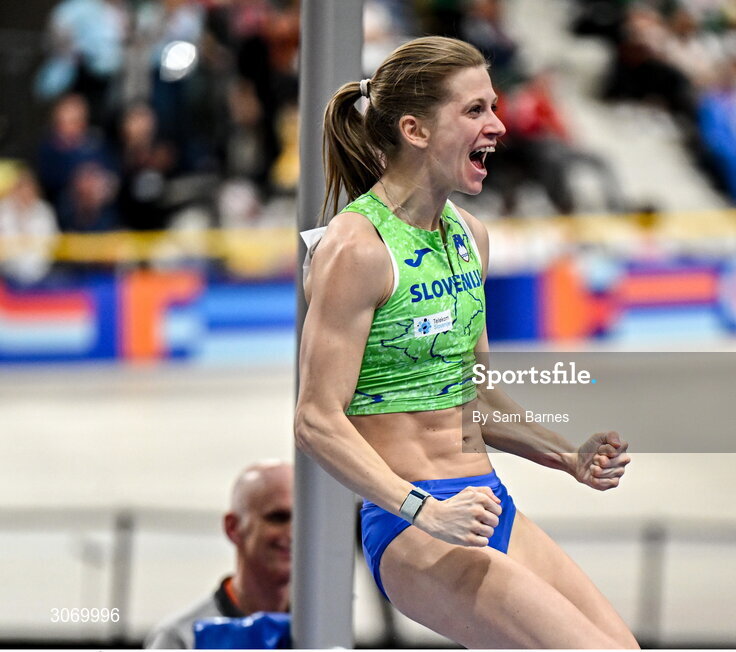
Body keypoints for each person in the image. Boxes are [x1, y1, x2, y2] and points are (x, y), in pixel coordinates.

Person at [294, 36, 638, 649]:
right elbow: (318, 419)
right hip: (414, 527)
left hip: (486, 503)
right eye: (475, 110)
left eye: (494, 106)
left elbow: (471, 397)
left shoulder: (469, 237)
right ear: (415, 130)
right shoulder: (357, 248)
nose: (498, 126)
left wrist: (565, 455)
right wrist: (422, 509)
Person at [144, 460, 292, 649]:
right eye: (278, 517)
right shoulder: (183, 638)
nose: (293, 532)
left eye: (302, 519)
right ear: (233, 527)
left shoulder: (325, 631)